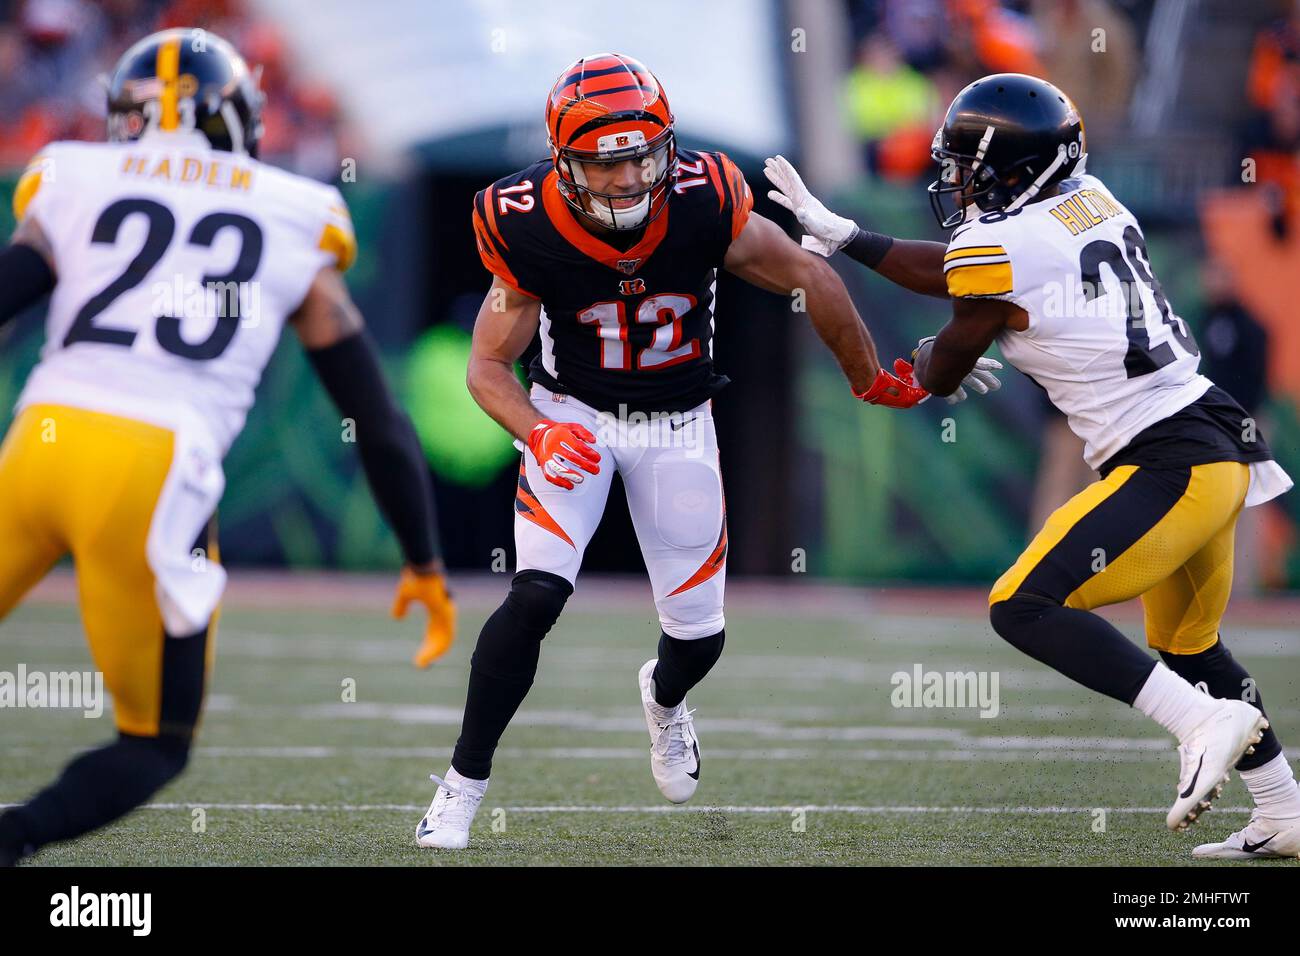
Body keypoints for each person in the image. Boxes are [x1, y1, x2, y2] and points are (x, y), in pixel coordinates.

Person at [414, 52, 999, 850]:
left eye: (639, 158)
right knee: (536, 595)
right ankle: (460, 786)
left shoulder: (703, 199)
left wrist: (871, 379)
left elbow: (809, 277)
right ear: (564, 162)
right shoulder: (522, 219)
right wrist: (537, 429)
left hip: (678, 422)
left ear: (666, 148)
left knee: (699, 637)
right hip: (572, 414)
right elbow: (486, 365)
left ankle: (663, 698)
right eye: (603, 163)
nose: (625, 180)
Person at [766, 73, 1299, 860]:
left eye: (969, 166)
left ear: (1014, 168)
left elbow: (946, 359)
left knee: (1024, 604)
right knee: (1189, 647)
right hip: (1211, 440)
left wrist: (927, 356)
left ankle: (1199, 721)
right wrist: (848, 237)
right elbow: (960, 269)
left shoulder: (1000, 243)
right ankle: (1284, 812)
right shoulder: (1092, 200)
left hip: (1167, 460)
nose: (957, 181)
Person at [0, 28, 453, 865]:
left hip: (36, 445)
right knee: (156, 742)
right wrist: (423, 560)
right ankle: (12, 837)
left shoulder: (74, 176)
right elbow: (375, 413)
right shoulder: (293, 210)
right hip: (154, 469)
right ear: (239, 119)